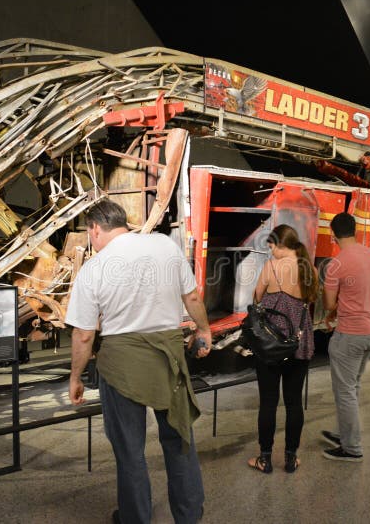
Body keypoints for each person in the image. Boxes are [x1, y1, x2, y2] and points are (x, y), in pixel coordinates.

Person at [66, 199, 212, 524]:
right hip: (168, 359)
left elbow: (85, 335)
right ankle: (189, 516)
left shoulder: (95, 267)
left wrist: (75, 377)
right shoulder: (165, 245)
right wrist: (203, 329)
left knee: (129, 452)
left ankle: (136, 518)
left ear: (95, 228)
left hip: (122, 366)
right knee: (180, 442)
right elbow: (191, 298)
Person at [246, 224, 318, 474]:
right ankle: (290, 458)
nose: (270, 252)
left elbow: (256, 297)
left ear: (278, 245)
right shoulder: (309, 268)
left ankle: (265, 458)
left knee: (268, 401)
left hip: (271, 345)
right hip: (298, 343)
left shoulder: (272, 267)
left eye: (271, 247)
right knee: (294, 402)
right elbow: (311, 300)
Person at [321, 212, 370, 463]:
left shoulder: (337, 263)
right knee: (352, 388)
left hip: (350, 335)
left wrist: (330, 312)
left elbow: (329, 304)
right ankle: (346, 434)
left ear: (333, 234)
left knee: (345, 392)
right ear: (355, 231)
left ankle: (352, 448)